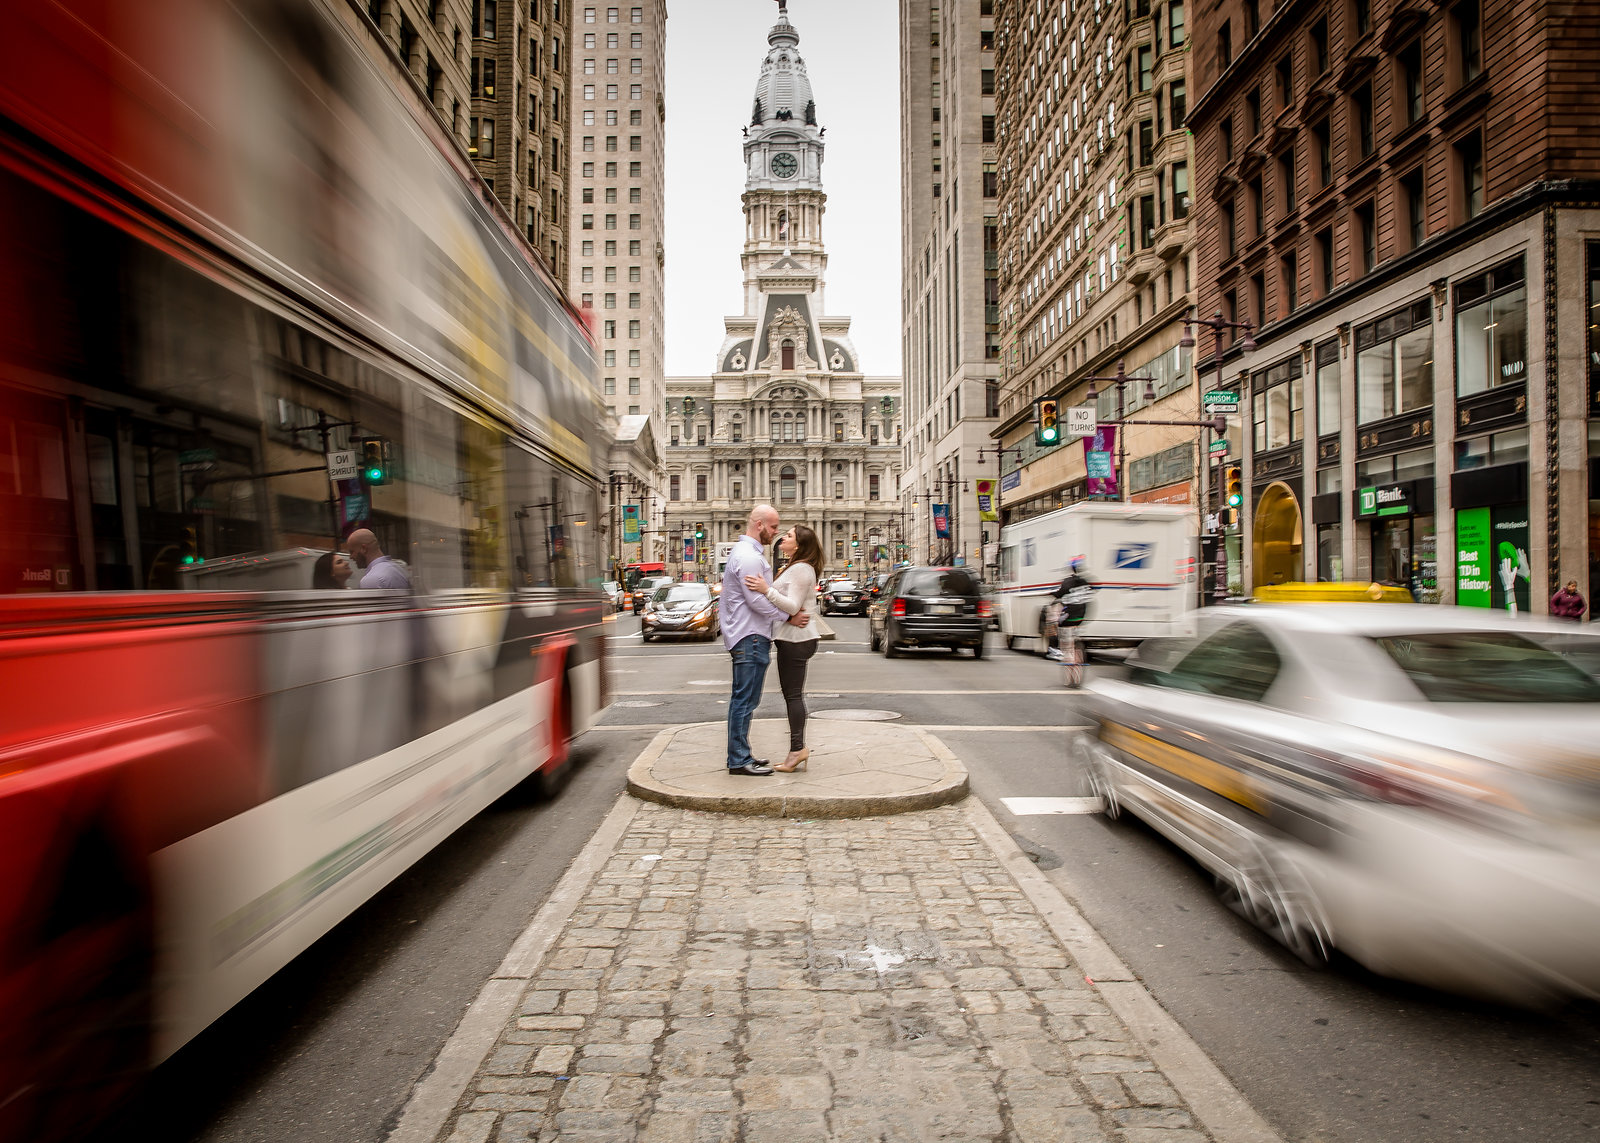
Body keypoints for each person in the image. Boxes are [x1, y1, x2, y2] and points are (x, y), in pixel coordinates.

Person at [721, 505, 809, 776]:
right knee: (744, 700)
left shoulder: (748, 554)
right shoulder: (748, 557)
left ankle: (742, 754)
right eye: (773, 527)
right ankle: (738, 759)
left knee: (746, 699)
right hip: (750, 636)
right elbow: (756, 600)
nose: (777, 533)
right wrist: (787, 616)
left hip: (750, 635)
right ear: (759, 525)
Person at [745, 524, 823, 773]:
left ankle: (797, 750)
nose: (782, 539)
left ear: (799, 545)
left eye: (788, 536)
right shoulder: (796, 567)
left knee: (793, 696)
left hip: (796, 639)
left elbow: (792, 605)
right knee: (792, 695)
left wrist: (766, 589)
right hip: (793, 637)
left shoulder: (801, 569)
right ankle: (797, 749)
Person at [1044, 558, 1094, 662]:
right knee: (1075, 624)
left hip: (1069, 617)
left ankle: (1055, 650)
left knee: (1053, 624)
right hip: (1082, 616)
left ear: (1071, 568)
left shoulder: (1068, 581)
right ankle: (1077, 644)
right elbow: (1093, 589)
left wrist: (1051, 594)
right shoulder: (1086, 581)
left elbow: (1059, 594)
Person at [346, 528, 410, 590]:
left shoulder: (371, 579)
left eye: (352, 552)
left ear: (364, 548)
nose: (350, 557)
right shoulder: (400, 569)